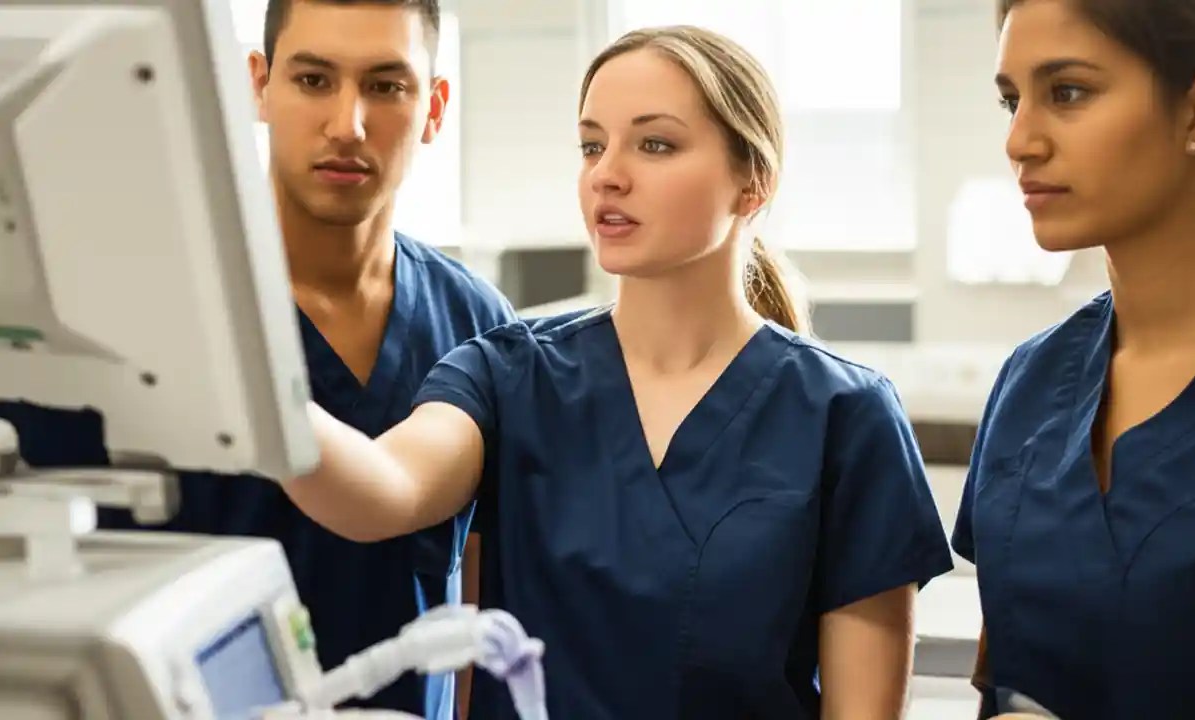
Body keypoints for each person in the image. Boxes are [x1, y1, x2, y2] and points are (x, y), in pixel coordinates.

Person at [279, 25, 955, 719]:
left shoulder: (845, 414)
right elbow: (379, 494)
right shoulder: (508, 374)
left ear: (754, 183)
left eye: (655, 144)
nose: (607, 172)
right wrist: (244, 373)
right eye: (593, 145)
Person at [0, 1, 515, 717]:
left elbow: (476, 594)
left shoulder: (479, 325)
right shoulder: (113, 316)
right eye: (313, 80)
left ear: (434, 107)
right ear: (258, 85)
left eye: (386, 86)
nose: (347, 124)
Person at [952, 0, 1195, 717]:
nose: (1020, 140)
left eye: (1067, 93)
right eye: (1011, 100)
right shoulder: (1031, 384)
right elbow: (1003, 675)